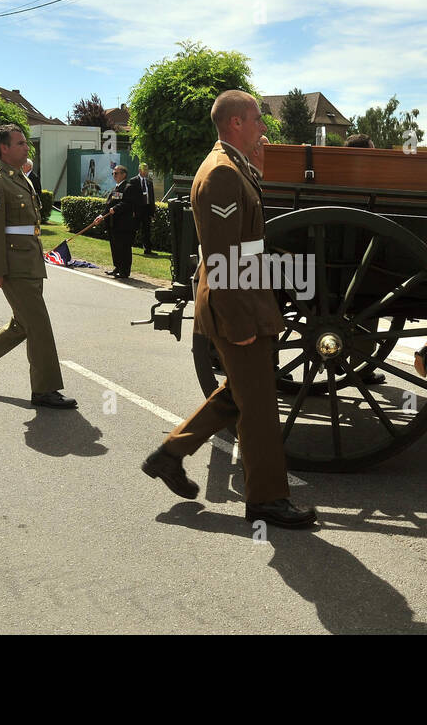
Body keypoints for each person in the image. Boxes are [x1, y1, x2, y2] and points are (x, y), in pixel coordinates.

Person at [140, 90, 317, 529]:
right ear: (236, 122)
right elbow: (222, 257)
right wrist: (239, 320)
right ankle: (267, 501)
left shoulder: (232, 165)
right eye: (257, 118)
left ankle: (170, 454)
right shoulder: (221, 172)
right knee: (257, 406)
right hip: (236, 300)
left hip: (246, 293)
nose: (262, 125)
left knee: (242, 391)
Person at [0, 124, 76, 410]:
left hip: (30, 260)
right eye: (21, 143)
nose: (27, 147)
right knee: (38, 325)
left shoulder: (18, 177)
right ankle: (44, 390)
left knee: (23, 323)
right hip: (14, 265)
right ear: (4, 148)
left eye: (26, 143)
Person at [100, 164, 143, 279]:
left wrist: (115, 209)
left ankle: (124, 271)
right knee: (115, 247)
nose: (114, 175)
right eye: (113, 173)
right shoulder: (115, 188)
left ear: (123, 174)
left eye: (116, 173)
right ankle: (117, 268)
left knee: (124, 248)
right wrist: (101, 215)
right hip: (113, 224)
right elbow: (109, 204)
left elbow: (128, 203)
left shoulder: (129, 187)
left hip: (125, 225)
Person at [133, 163, 156, 253]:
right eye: (145, 169)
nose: (147, 171)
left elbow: (152, 198)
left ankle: (147, 249)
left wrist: (152, 212)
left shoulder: (149, 182)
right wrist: (132, 210)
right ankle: (127, 246)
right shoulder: (133, 181)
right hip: (137, 209)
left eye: (147, 169)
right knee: (134, 229)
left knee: (146, 230)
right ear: (140, 170)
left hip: (146, 209)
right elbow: (132, 197)